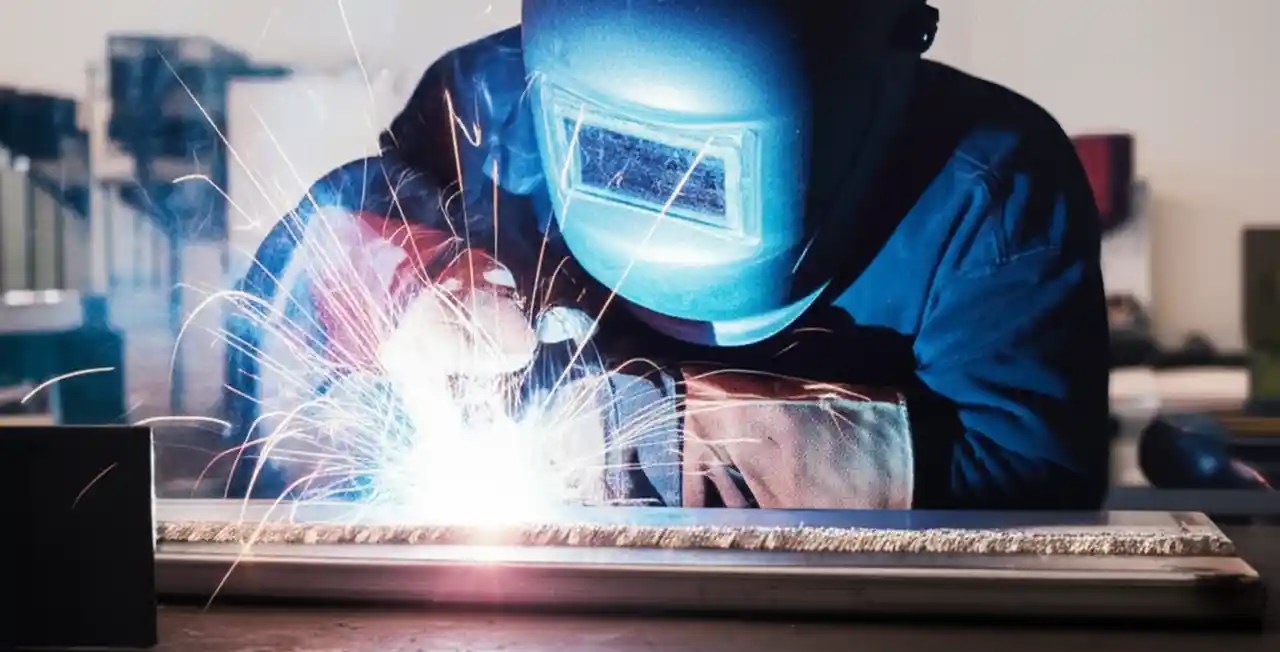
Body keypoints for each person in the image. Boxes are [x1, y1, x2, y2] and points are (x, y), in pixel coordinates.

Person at [230, 0, 1110, 510]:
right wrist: (407, 291)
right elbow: (316, 263)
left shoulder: (989, 184)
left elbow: (1034, 484)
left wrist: (638, 442)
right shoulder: (492, 101)